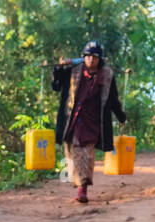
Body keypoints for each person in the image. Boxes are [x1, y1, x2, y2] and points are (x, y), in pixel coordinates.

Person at [54, 41, 126, 204]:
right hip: (73, 120)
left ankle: (83, 188)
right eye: (88, 57)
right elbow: (56, 85)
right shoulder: (74, 72)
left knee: (86, 152)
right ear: (83, 58)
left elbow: (113, 99)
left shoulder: (106, 75)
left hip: (93, 122)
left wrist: (121, 115)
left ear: (100, 60)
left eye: (95, 58)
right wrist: (59, 68)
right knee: (72, 152)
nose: (91, 61)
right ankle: (79, 183)